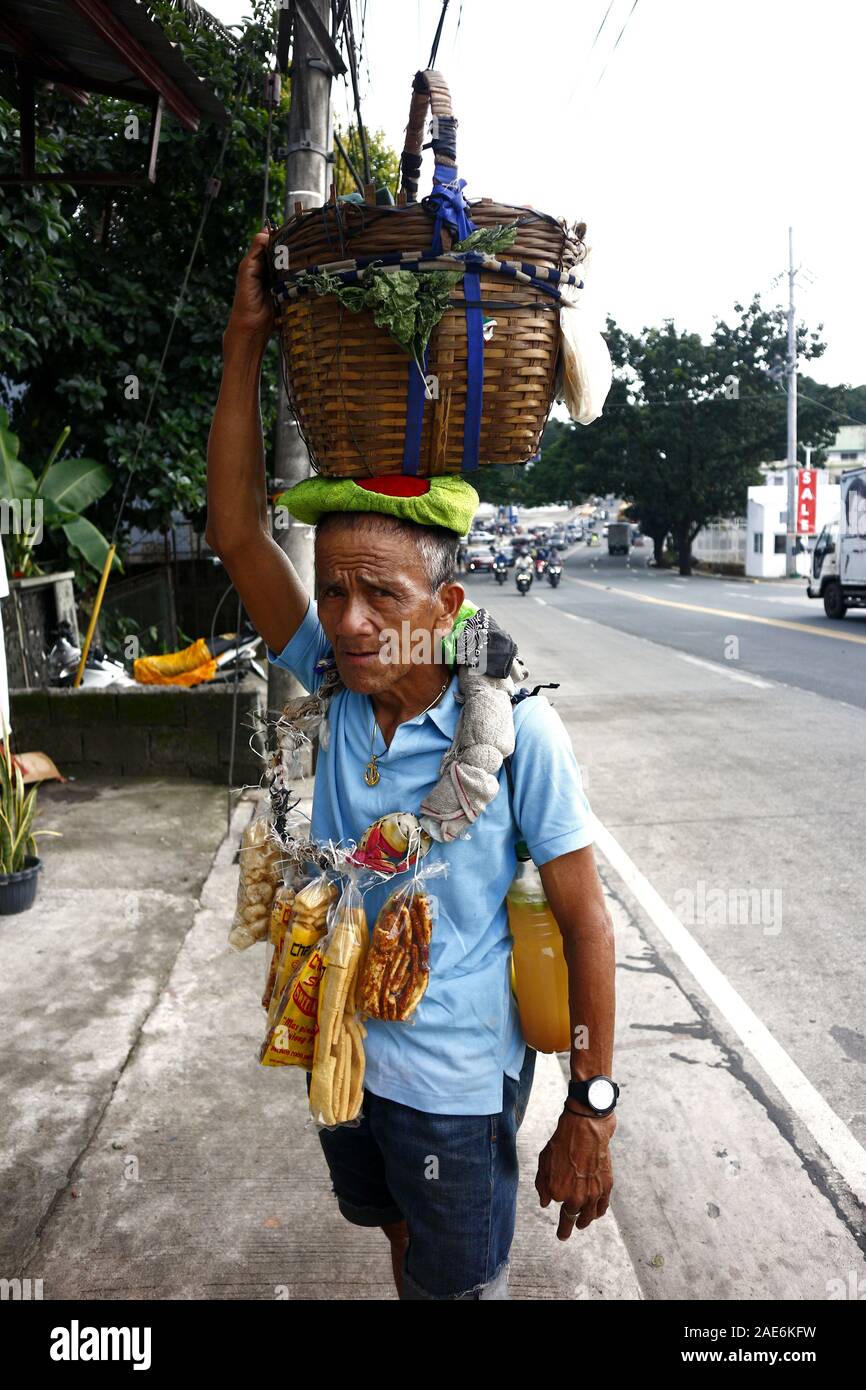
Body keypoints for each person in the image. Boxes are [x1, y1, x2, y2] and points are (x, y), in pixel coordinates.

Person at [206, 231, 618, 1302]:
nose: (344, 620)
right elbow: (237, 532)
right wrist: (246, 338)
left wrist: (589, 1105)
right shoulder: (336, 684)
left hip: (449, 1085)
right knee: (389, 1228)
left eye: (379, 595)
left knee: (454, 1282)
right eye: (332, 589)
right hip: (335, 1044)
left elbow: (584, 924)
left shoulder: (520, 736)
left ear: (446, 609)